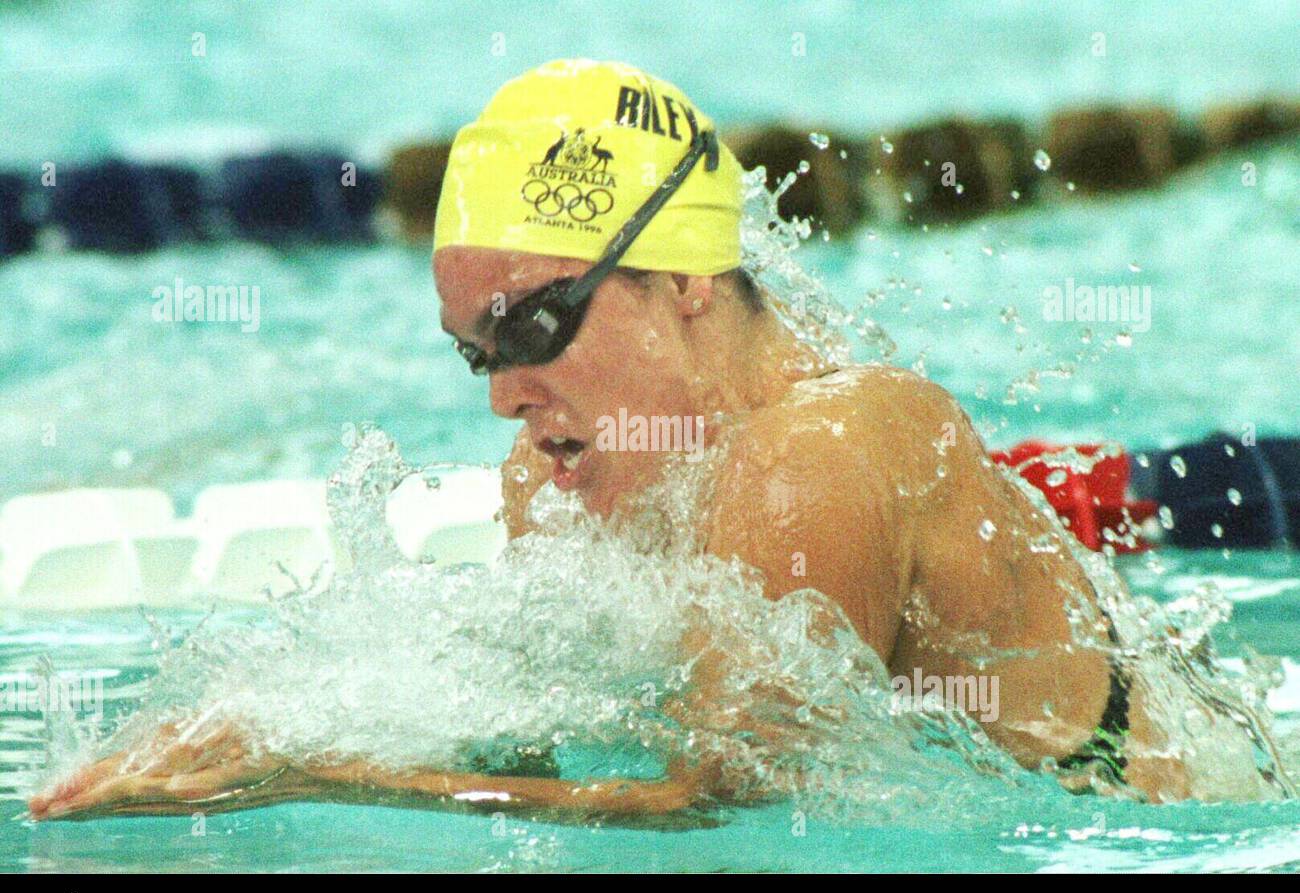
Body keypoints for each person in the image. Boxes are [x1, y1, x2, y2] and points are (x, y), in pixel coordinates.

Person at [31, 59, 1213, 822]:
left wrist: (309, 778)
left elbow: (718, 818)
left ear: (686, 279)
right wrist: (273, 715)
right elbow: (555, 727)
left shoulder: (825, 450)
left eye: (532, 325)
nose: (504, 397)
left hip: (1145, 838)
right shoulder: (563, 472)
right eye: (475, 352)